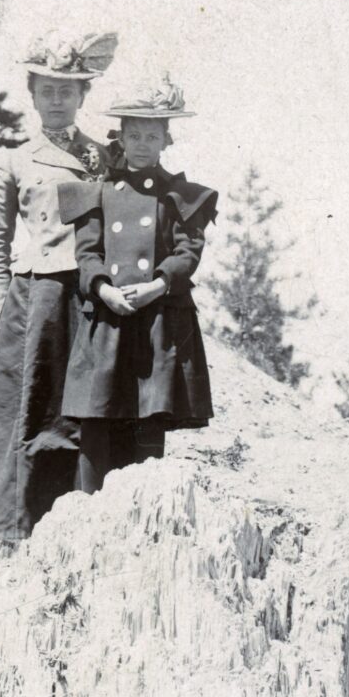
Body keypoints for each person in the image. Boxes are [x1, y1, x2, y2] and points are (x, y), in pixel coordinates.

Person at [0, 30, 119, 542]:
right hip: (39, 297)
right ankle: (16, 524)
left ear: (82, 96)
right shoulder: (14, 159)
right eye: (47, 90)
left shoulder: (106, 156)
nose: (56, 100)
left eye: (66, 91)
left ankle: (86, 518)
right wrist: (0, 303)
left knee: (86, 403)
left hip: (92, 294)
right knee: (29, 404)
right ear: (32, 96)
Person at [58, 75, 216, 494]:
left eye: (152, 136)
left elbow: (188, 252)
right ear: (121, 138)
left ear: (166, 139)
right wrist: (105, 290)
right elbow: (87, 254)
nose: (142, 144)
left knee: (148, 417)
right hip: (107, 319)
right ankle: (89, 509)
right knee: (97, 417)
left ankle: (141, 510)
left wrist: (157, 285)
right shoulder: (97, 193)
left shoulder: (182, 196)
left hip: (157, 321)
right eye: (134, 135)